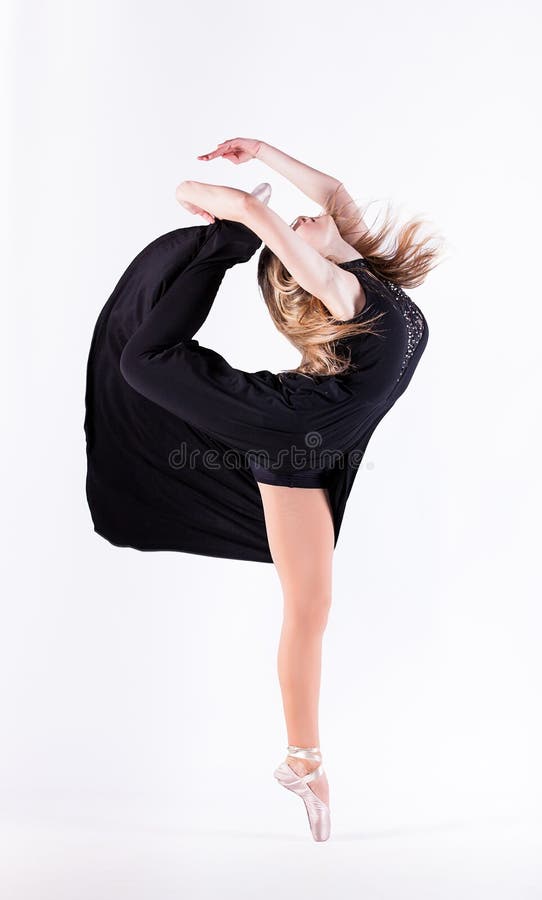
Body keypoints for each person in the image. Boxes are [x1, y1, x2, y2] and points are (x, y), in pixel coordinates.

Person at [84, 138, 444, 841]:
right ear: (306, 266)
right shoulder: (344, 290)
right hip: (289, 426)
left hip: (311, 446)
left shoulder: (365, 272)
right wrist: (222, 212)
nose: (313, 217)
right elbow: (259, 215)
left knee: (309, 606)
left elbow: (332, 192)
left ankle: (303, 762)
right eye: (302, 228)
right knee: (145, 361)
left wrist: (262, 148)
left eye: (316, 221)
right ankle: (218, 252)